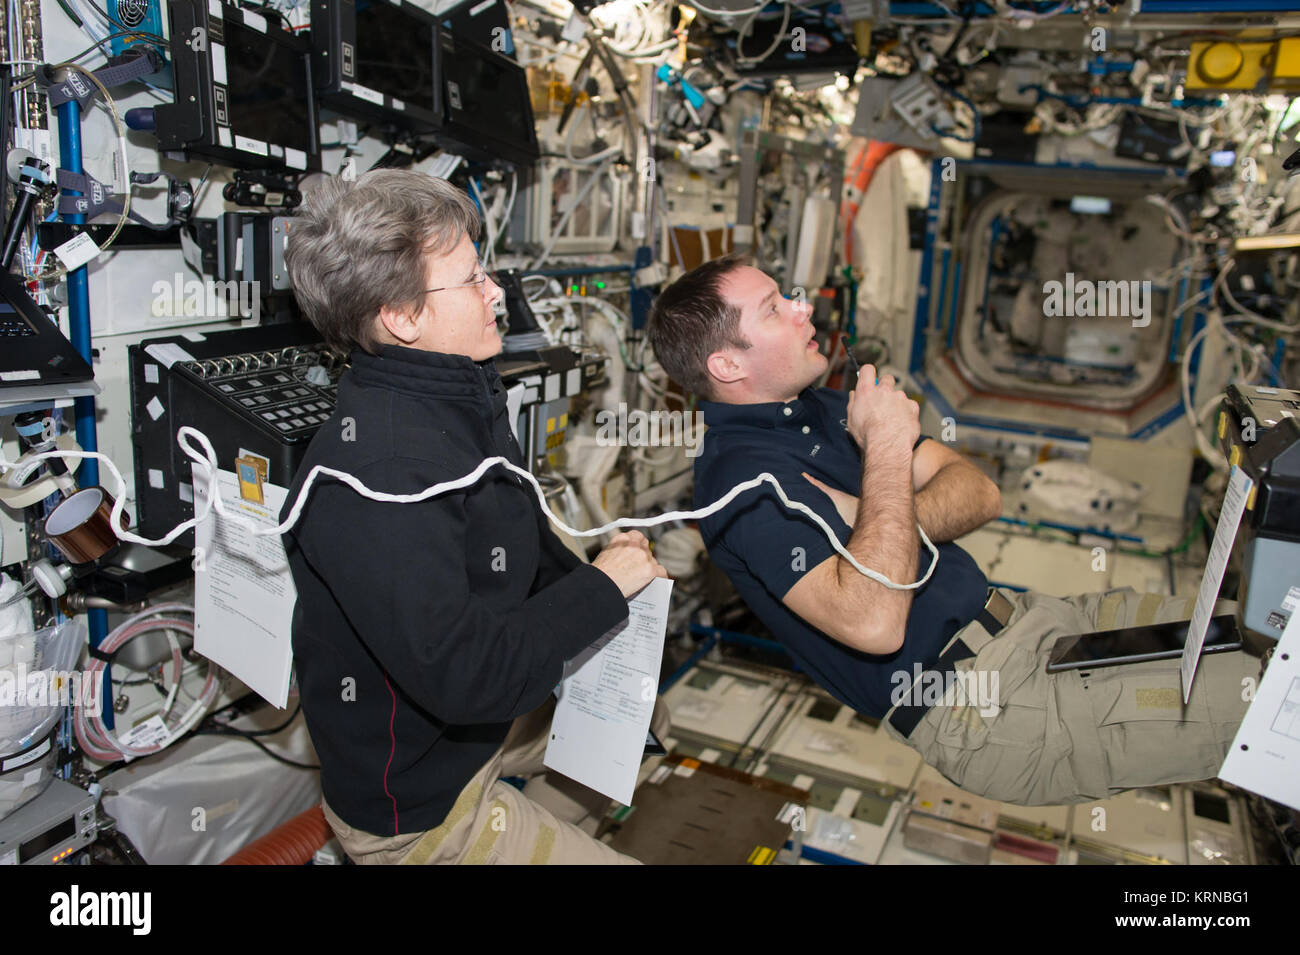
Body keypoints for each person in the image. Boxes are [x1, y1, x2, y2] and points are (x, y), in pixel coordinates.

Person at [646, 252, 1257, 807]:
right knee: (1271, 700)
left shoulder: (825, 407)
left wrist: (874, 523)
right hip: (985, 704)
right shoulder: (739, 484)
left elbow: (979, 491)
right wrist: (886, 447)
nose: (806, 306)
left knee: (1255, 633)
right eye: (776, 308)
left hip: (1035, 621)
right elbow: (874, 622)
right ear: (726, 363)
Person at [280, 169, 667, 863]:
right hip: (422, 805)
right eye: (471, 279)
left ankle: (547, 824)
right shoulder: (380, 478)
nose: (496, 293)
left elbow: (520, 543)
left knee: (643, 712)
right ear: (403, 316)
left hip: (472, 731)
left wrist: (596, 583)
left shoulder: (457, 397)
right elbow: (468, 675)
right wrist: (603, 588)